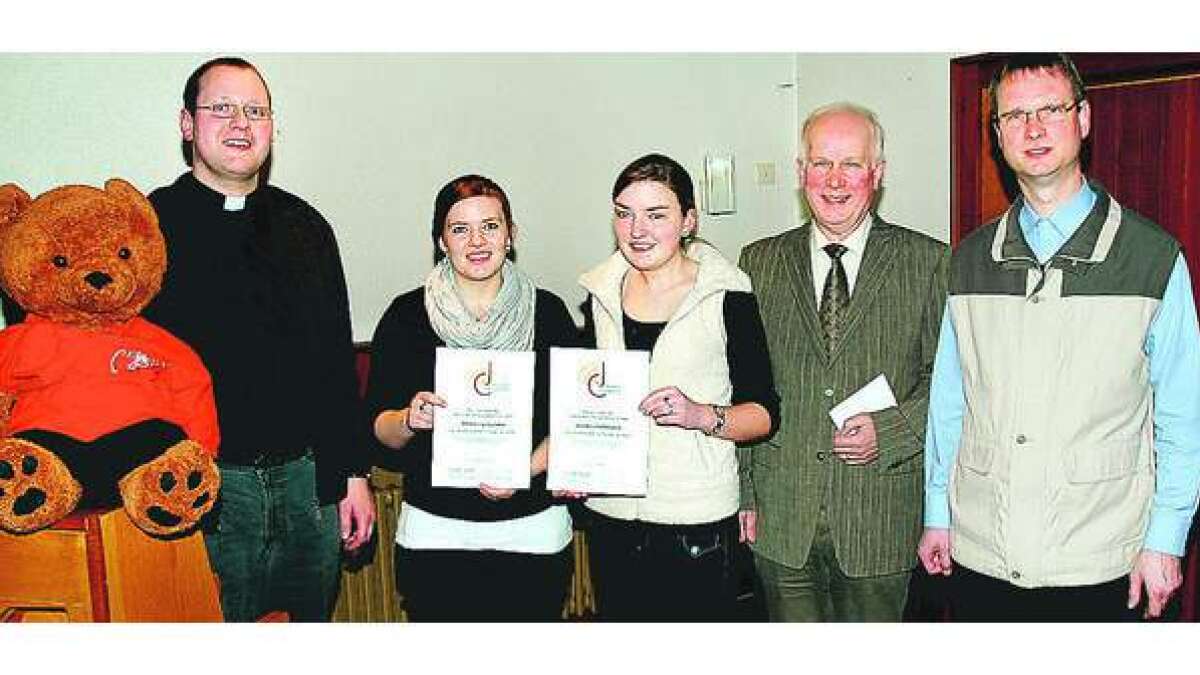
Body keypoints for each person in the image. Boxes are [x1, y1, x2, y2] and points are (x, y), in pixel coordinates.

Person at [918, 53, 1200, 621]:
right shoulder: (969, 261)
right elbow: (950, 402)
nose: (1034, 129)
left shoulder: (1152, 259)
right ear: (997, 134)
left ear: (1083, 119)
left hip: (1103, 559)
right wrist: (937, 513)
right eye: (1015, 115)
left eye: (1051, 109)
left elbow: (1181, 413)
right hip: (982, 552)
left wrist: (1166, 538)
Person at [143, 56, 375, 622]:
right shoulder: (148, 228)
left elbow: (335, 364)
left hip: (308, 486)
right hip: (207, 489)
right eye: (222, 108)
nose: (240, 123)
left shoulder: (307, 227)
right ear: (187, 124)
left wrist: (353, 476)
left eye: (256, 110)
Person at [738, 103, 949, 622]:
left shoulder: (928, 261)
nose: (834, 181)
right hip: (781, 516)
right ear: (800, 172)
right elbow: (742, 384)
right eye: (821, 163)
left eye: (851, 164)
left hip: (880, 516)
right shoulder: (758, 262)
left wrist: (892, 429)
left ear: (877, 174)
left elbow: (949, 382)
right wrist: (744, 491)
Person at [578, 153, 780, 621]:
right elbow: (583, 404)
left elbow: (764, 414)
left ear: (689, 221)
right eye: (624, 214)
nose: (637, 230)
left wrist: (699, 414)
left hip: (696, 520)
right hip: (611, 516)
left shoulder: (729, 296)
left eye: (656, 214)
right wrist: (574, 463)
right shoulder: (598, 294)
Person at [366, 175, 577, 621]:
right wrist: (409, 419)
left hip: (533, 532)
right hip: (435, 533)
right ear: (441, 241)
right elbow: (380, 430)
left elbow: (573, 423)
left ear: (510, 234)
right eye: (460, 229)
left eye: (490, 226)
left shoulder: (549, 314)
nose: (477, 241)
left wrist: (523, 470)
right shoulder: (407, 317)